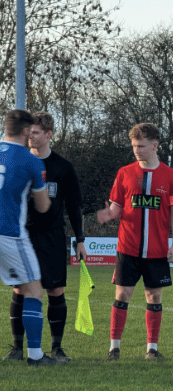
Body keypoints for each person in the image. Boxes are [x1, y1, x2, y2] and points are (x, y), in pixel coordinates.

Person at [3, 112, 85, 364]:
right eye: (31, 132)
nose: (32, 137)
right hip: (21, 234)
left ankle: (57, 348)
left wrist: (80, 239)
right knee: (22, 289)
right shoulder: (27, 161)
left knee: (55, 290)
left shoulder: (63, 167)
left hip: (52, 237)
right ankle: (19, 348)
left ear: (49, 135)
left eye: (37, 132)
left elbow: (74, 205)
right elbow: (40, 205)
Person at [97, 123, 173, 361]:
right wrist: (109, 214)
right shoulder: (124, 173)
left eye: (141, 146)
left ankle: (152, 350)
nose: (136, 150)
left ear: (155, 146)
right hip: (128, 247)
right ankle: (114, 348)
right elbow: (116, 207)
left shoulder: (171, 176)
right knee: (122, 294)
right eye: (134, 146)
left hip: (157, 250)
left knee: (154, 297)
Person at [0, 110, 55, 366]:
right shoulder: (30, 160)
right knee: (34, 290)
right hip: (9, 233)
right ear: (25, 131)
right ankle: (35, 355)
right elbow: (43, 207)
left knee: (21, 288)